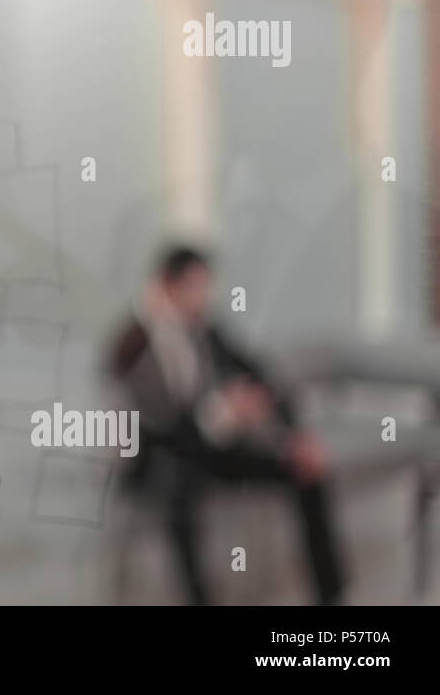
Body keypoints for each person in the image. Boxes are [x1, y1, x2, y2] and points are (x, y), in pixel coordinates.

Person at [107, 245, 345, 604]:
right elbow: (158, 423)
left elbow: (264, 376)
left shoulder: (207, 330)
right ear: (168, 286)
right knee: (179, 495)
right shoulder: (133, 342)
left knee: (305, 472)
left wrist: (294, 437)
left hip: (209, 451)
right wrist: (219, 412)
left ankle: (333, 594)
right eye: (194, 287)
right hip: (159, 459)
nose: (202, 297)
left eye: (205, 287)